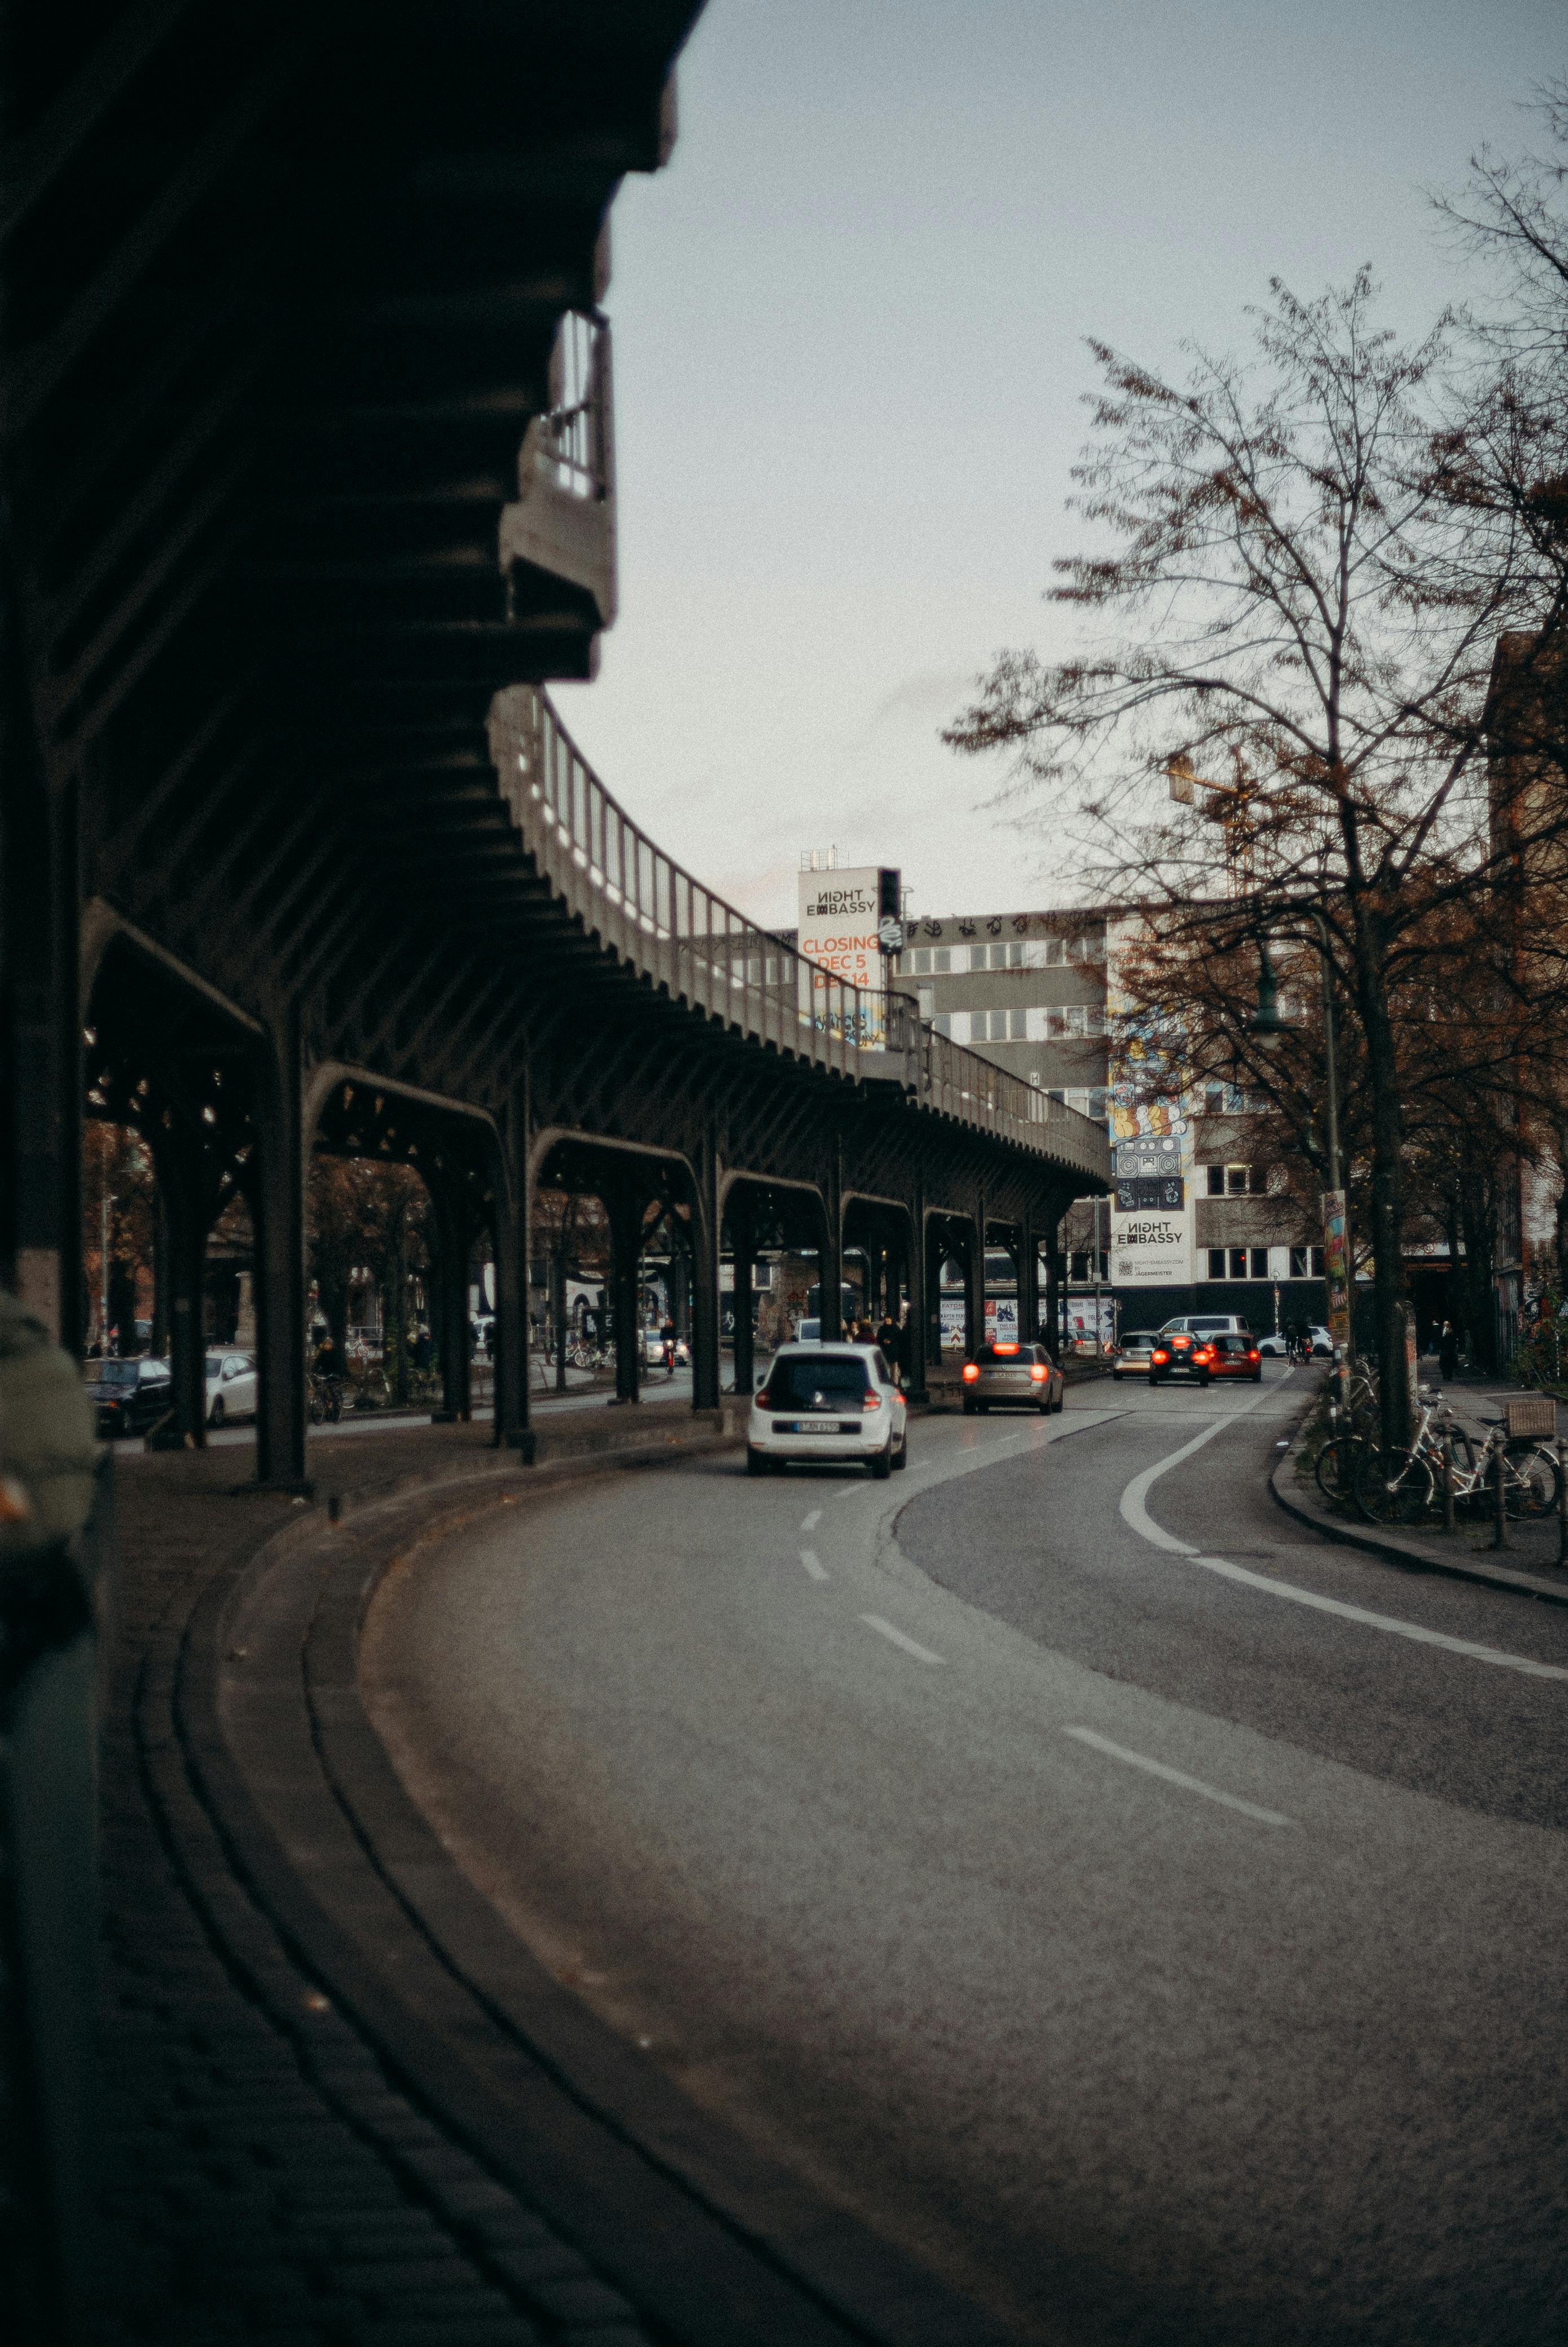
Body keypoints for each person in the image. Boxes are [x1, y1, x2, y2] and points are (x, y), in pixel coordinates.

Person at [1439, 1318, 1459, 1382]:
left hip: (1444, 1353)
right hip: (1451, 1353)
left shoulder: (1443, 1339)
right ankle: (1450, 1377)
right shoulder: (1453, 1339)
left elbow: (1440, 1345)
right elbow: (1455, 1344)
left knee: (1444, 1365)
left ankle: (1445, 1376)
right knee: (1450, 1366)